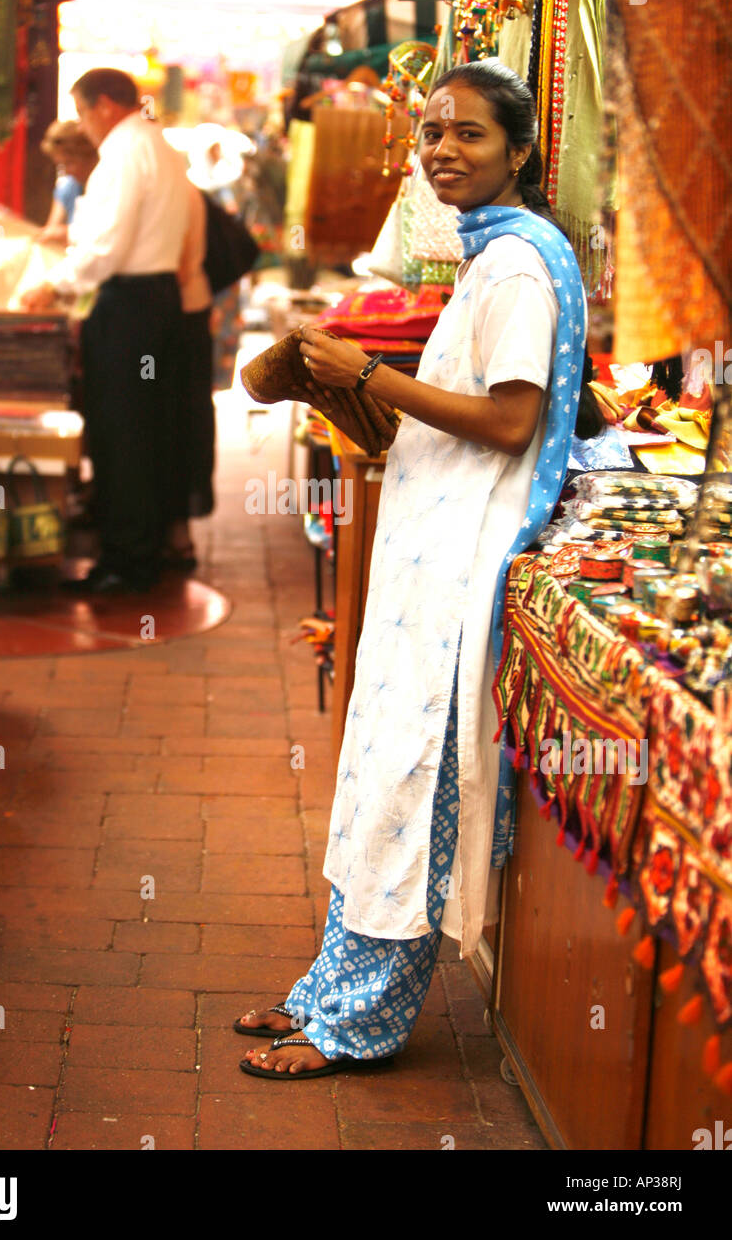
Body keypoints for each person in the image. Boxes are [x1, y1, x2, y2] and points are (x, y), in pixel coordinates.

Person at [236, 59, 602, 1079]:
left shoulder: (523, 263)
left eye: (469, 134)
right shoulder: (489, 256)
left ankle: (361, 1025)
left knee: (404, 792)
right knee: (369, 783)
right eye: (431, 130)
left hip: (460, 564)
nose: (442, 148)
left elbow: (512, 417)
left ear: (518, 150)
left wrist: (367, 374)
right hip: (424, 550)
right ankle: (325, 989)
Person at [21, 68, 191, 593]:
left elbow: (106, 245)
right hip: (155, 299)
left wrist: (55, 284)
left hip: (129, 306)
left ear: (103, 106)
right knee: (142, 428)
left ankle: (126, 562)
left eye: (79, 112)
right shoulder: (158, 145)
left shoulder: (123, 151)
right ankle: (140, 551)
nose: (82, 125)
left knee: (121, 433)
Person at [164, 179, 216, 571]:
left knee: (176, 420)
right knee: (185, 417)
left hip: (180, 314)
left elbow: (180, 268)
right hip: (190, 311)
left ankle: (177, 531)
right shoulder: (183, 188)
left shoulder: (171, 191)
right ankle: (176, 531)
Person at [37, 120, 98, 246]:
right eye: (61, 166)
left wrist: (67, 234)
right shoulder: (68, 188)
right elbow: (50, 232)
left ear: (90, 157)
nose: (67, 172)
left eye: (69, 163)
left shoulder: (109, 183)